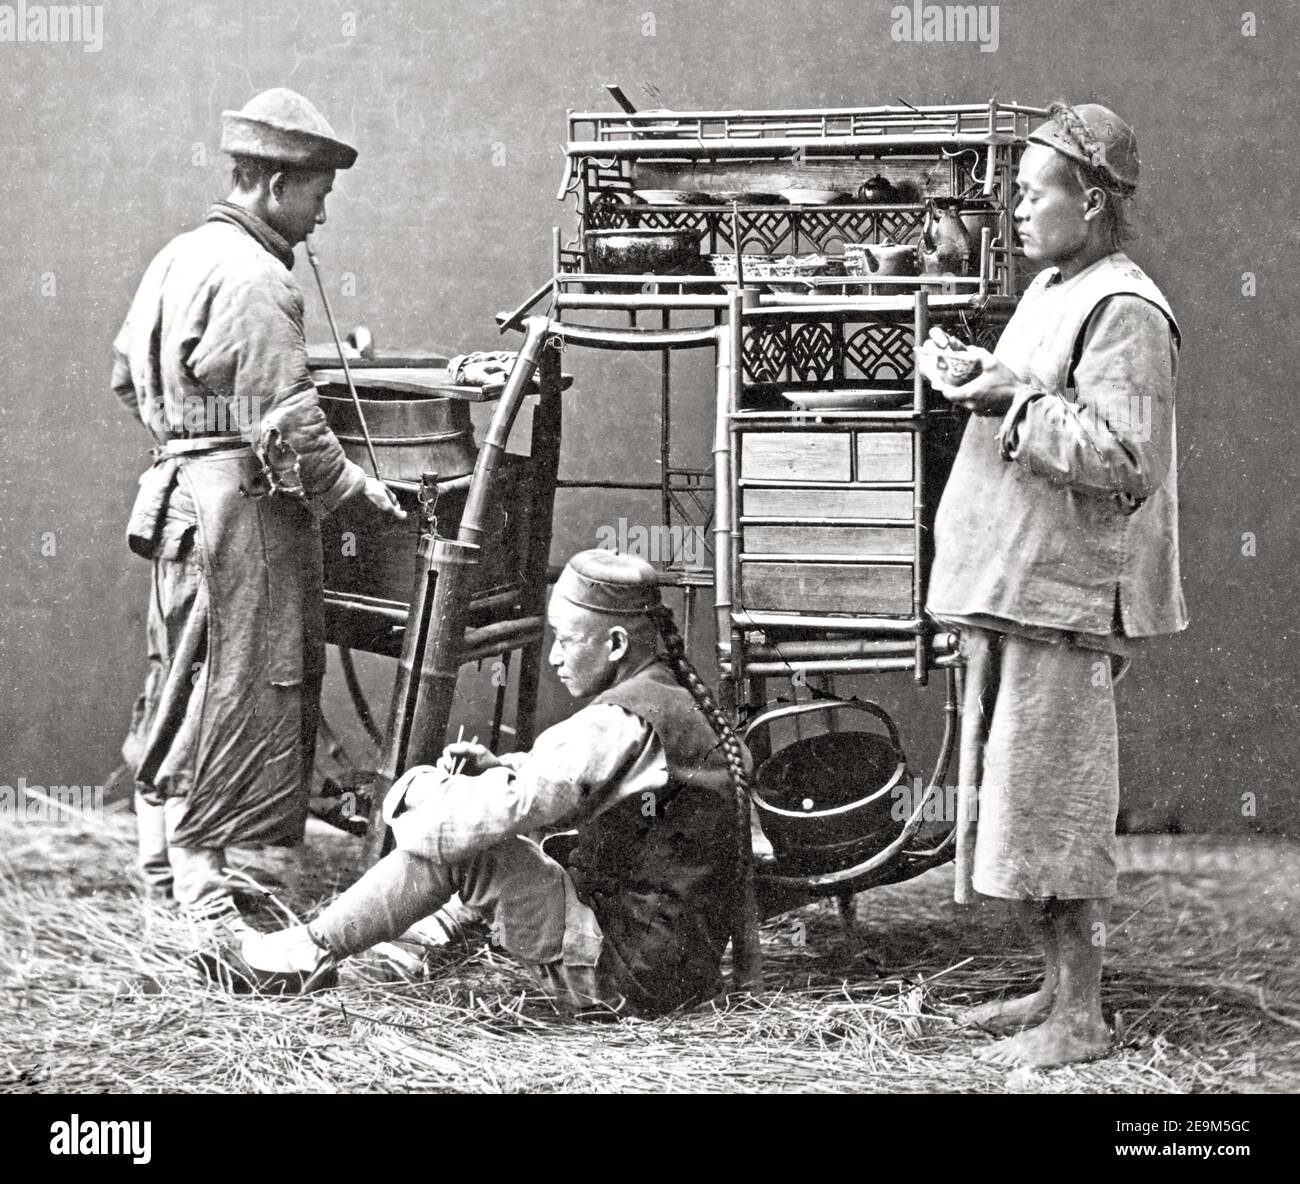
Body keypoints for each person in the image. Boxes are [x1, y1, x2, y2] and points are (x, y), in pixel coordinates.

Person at [920, 101, 1185, 1068]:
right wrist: (989, 375)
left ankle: (1083, 1015)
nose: (1017, 211)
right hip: (1021, 589)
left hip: (1066, 600)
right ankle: (1052, 991)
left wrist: (1008, 396)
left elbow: (1124, 460)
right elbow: (1044, 402)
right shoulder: (1057, 287)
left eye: (1035, 194)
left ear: (1097, 200)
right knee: (1025, 807)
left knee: (1060, 812)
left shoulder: (1126, 310)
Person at [216, 550, 755, 1017]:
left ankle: (309, 951)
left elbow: (459, 827)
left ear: (615, 644)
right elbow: (577, 790)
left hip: (623, 976)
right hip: (675, 966)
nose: (554, 657)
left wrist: (417, 794)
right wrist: (503, 769)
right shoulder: (672, 702)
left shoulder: (618, 720)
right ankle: (414, 937)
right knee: (513, 832)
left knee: (466, 850)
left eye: (567, 641)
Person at [112, 88, 404, 933]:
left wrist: (190, 437)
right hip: (233, 519)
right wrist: (357, 490)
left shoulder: (178, 255)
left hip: (175, 498)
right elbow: (289, 423)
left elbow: (129, 376)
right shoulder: (257, 276)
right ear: (277, 187)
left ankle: (164, 872)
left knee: (176, 680)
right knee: (232, 687)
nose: (320, 218)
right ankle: (205, 901)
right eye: (317, 195)